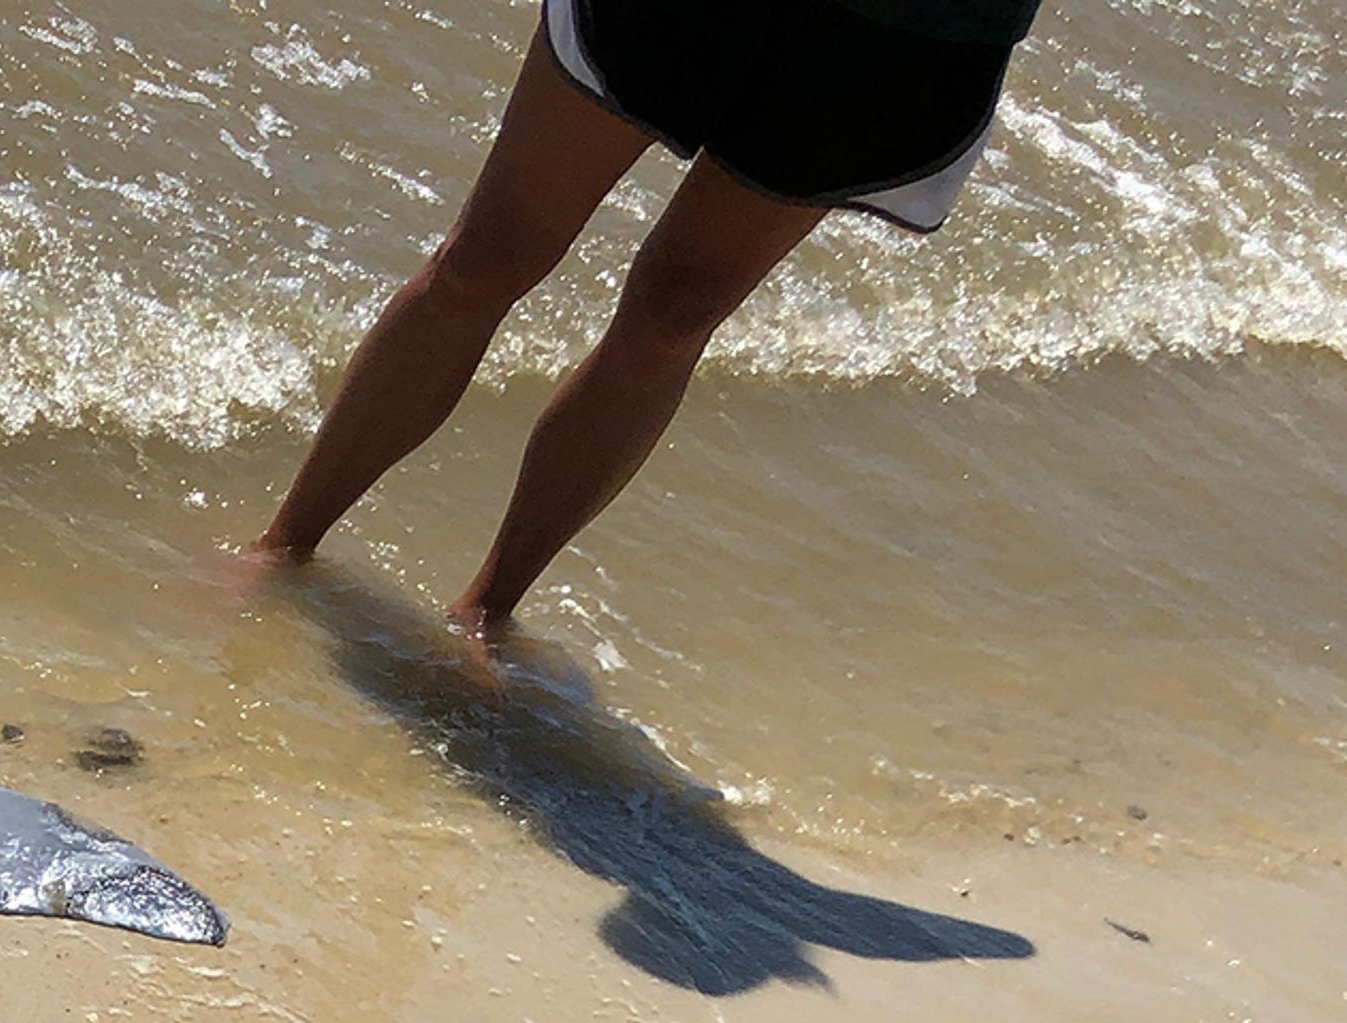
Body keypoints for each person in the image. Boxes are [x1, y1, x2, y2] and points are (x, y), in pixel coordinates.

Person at [252, 0, 1042, 642]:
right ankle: (281, 552)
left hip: (914, 26)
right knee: (491, 254)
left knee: (673, 317)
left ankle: (484, 619)